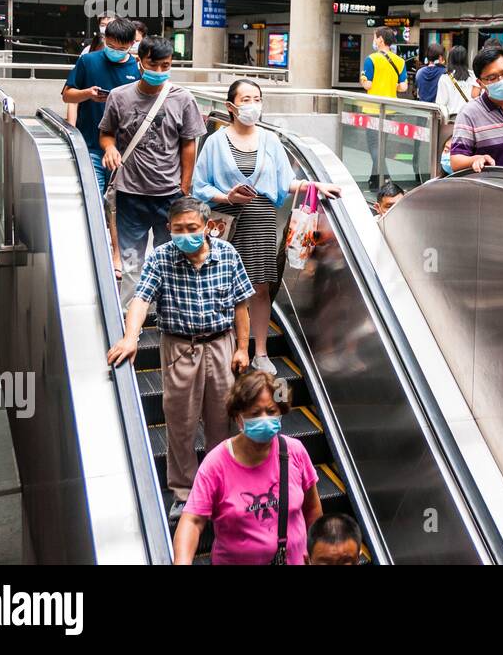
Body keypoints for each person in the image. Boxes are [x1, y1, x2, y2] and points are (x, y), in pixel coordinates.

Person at [107, 197, 255, 521]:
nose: (186, 234)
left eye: (192, 228)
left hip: (220, 346)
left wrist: (243, 348)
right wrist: (131, 337)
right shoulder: (161, 257)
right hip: (179, 348)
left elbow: (242, 306)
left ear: (206, 227)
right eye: (178, 229)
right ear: (168, 229)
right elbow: (141, 299)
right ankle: (184, 493)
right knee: (180, 423)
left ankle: (220, 486)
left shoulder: (227, 254)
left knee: (222, 421)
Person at [193, 78, 341, 375]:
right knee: (223, 286)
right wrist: (226, 196)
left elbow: (285, 183)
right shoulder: (215, 141)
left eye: (256, 98)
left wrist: (316, 185)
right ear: (230, 106)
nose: (252, 105)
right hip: (225, 219)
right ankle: (230, 347)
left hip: (260, 216)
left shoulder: (270, 141)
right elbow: (199, 186)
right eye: (246, 99)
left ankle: (259, 352)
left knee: (259, 287)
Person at [173, 370, 323, 565]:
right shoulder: (216, 463)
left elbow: (312, 508)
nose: (264, 419)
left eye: (271, 412)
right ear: (238, 417)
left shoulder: (294, 451)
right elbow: (192, 521)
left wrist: (318, 552)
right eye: (254, 413)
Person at [99, 36, 207, 282]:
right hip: (130, 193)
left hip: (169, 193)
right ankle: (131, 312)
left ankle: (166, 309)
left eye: (165, 65)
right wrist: (110, 148)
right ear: (140, 62)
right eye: (153, 64)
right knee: (130, 261)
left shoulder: (183, 99)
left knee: (172, 257)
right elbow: (106, 133)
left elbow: (188, 143)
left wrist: (184, 187)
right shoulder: (119, 96)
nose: (159, 71)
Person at [61, 17, 142, 194]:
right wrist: (87, 93)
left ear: (131, 44)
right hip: (90, 145)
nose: (115, 51)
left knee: (117, 203)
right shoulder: (88, 61)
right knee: (93, 198)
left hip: (123, 150)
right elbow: (67, 95)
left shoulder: (137, 69)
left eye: (122, 49)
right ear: (105, 39)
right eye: (111, 46)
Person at [360, 27, 408, 96]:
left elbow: (367, 85)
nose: (374, 40)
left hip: (373, 104)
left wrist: (362, 79)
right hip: (390, 104)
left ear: (380, 40)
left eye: (375, 38)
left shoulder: (371, 59)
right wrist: (394, 86)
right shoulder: (401, 61)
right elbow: (403, 87)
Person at [435, 45, 479, 120]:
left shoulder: (445, 78)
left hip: (452, 119)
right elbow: (476, 97)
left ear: (450, 59)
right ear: (465, 59)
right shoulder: (473, 76)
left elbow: (440, 104)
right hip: (470, 118)